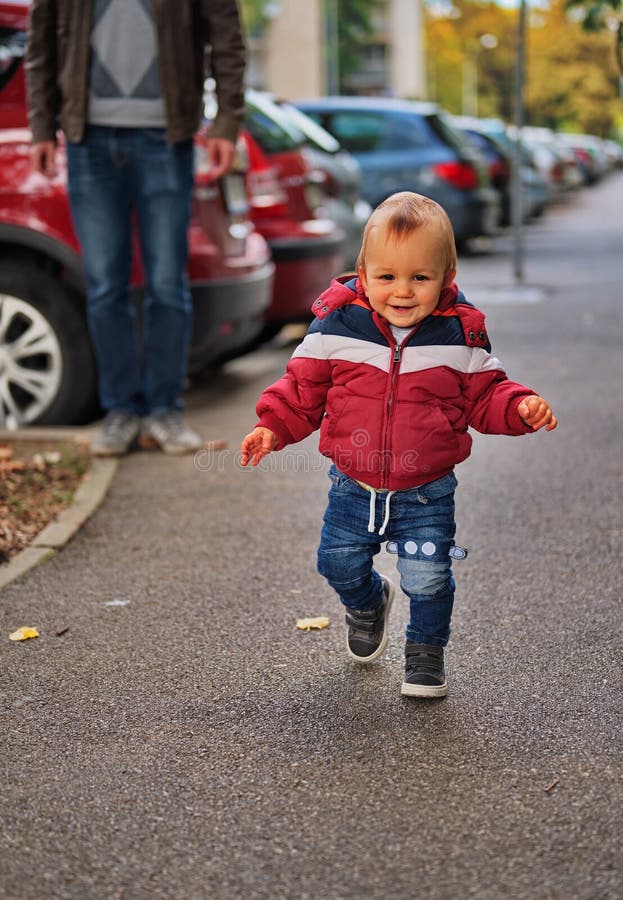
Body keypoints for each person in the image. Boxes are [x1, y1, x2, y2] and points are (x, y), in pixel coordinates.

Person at [241, 192, 557, 698]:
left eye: (420, 277)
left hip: (426, 491)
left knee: (428, 577)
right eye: (387, 277)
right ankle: (367, 603)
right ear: (362, 273)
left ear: (446, 276)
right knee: (337, 563)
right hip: (352, 486)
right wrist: (272, 427)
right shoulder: (335, 329)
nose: (403, 291)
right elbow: (301, 390)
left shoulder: (460, 337)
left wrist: (519, 407)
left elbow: (486, 395)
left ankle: (426, 654)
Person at [26, 0, 246, 456]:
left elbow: (226, 38)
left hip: (166, 137)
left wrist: (226, 123)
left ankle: (164, 409)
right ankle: (121, 411)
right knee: (106, 284)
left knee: (167, 283)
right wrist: (42, 125)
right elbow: (41, 41)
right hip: (89, 140)